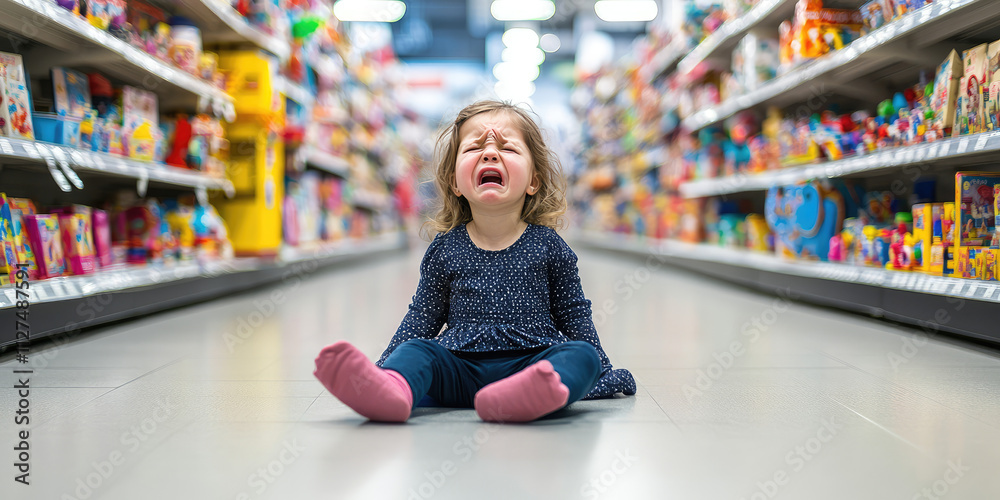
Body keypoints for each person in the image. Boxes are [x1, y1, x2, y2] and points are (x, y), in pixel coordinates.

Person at [313, 100, 635, 423]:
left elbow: (573, 314)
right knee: (419, 353)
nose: (490, 153)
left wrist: (601, 367)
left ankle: (524, 394)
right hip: (459, 367)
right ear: (455, 182)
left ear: (533, 180)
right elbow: (421, 318)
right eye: (474, 147)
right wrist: (384, 368)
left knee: (581, 356)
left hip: (534, 361)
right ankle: (392, 390)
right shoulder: (445, 249)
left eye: (507, 147)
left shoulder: (550, 246)